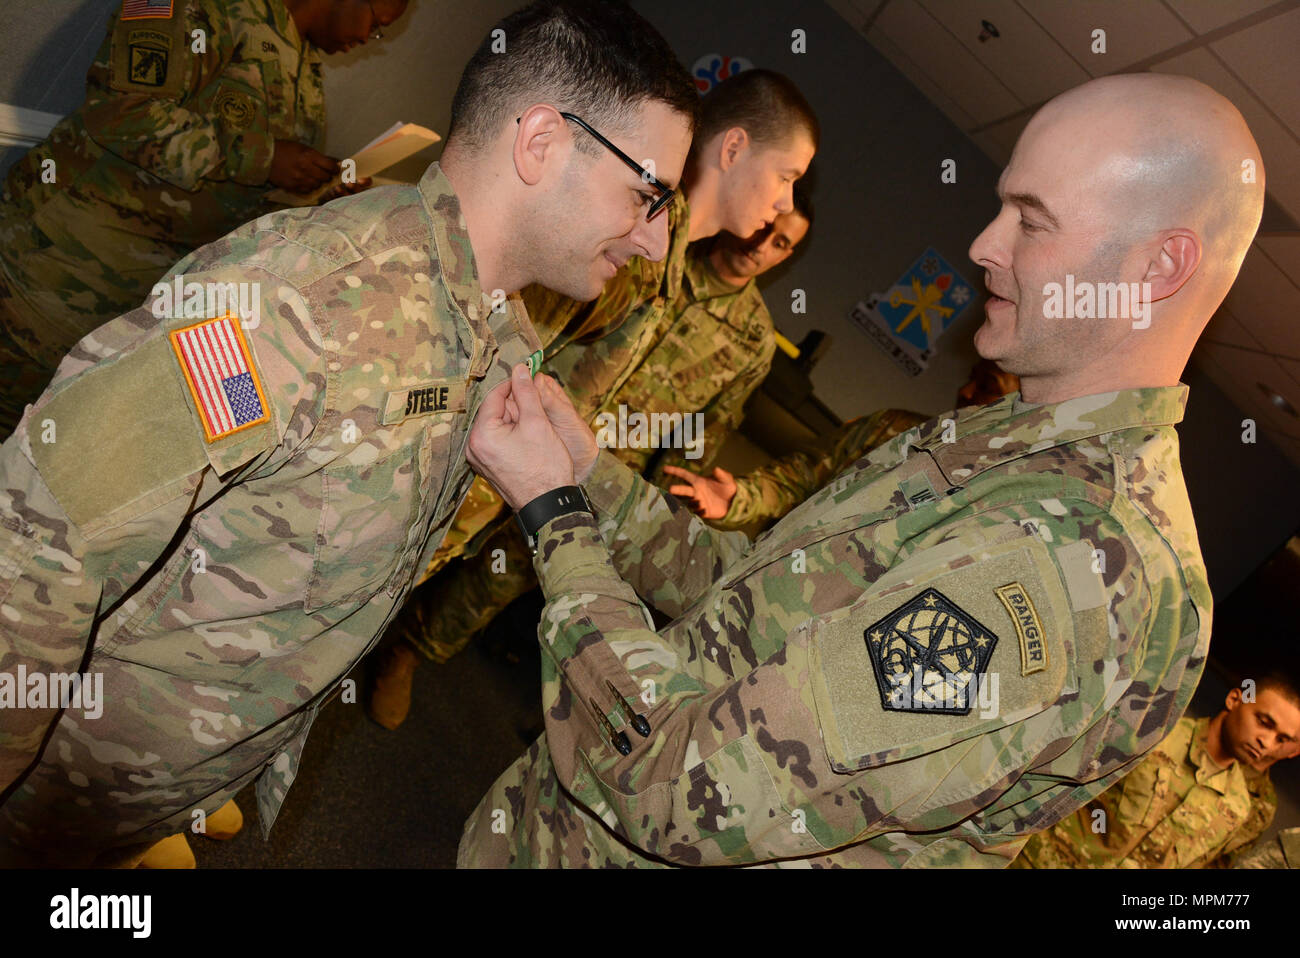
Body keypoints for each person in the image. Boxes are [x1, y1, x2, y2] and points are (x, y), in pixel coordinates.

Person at [456, 71, 1264, 868]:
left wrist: (555, 515)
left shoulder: (1077, 563)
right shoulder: (994, 449)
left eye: (1033, 220)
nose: (984, 246)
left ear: (1158, 268)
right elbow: (748, 596)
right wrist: (586, 469)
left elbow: (685, 789)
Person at [0, 0, 698, 867]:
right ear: (543, 142)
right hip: (59, 794)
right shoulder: (304, 306)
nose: (659, 235)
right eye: (650, 194)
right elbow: (40, 534)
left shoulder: (491, 336)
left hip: (156, 787)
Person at [369, 192, 815, 728]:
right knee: (433, 517)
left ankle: (410, 651)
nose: (762, 245)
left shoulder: (752, 339)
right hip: (530, 409)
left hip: (596, 472)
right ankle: (360, 614)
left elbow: (700, 434)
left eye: (782, 244)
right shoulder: (653, 254)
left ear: (786, 257)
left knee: (501, 576)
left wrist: (652, 507)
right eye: (767, 227)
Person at [0, 0, 410, 439]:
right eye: (377, 23)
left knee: (40, 457)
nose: (370, 38)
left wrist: (318, 194)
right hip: (49, 282)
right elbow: (121, 111)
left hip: (125, 314)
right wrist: (263, 158)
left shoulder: (302, 68)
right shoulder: (208, 7)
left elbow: (238, 198)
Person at [664, 359, 1018, 530]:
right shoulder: (893, 428)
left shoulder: (1006, 497)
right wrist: (738, 498)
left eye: (988, 385)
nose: (966, 392)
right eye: (971, 376)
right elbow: (799, 477)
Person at [1012, 673, 1300, 868]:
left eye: (1282, 740)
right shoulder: (1150, 733)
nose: (1268, 742)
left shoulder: (1238, 808)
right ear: (1234, 700)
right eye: (1264, 721)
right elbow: (1049, 784)